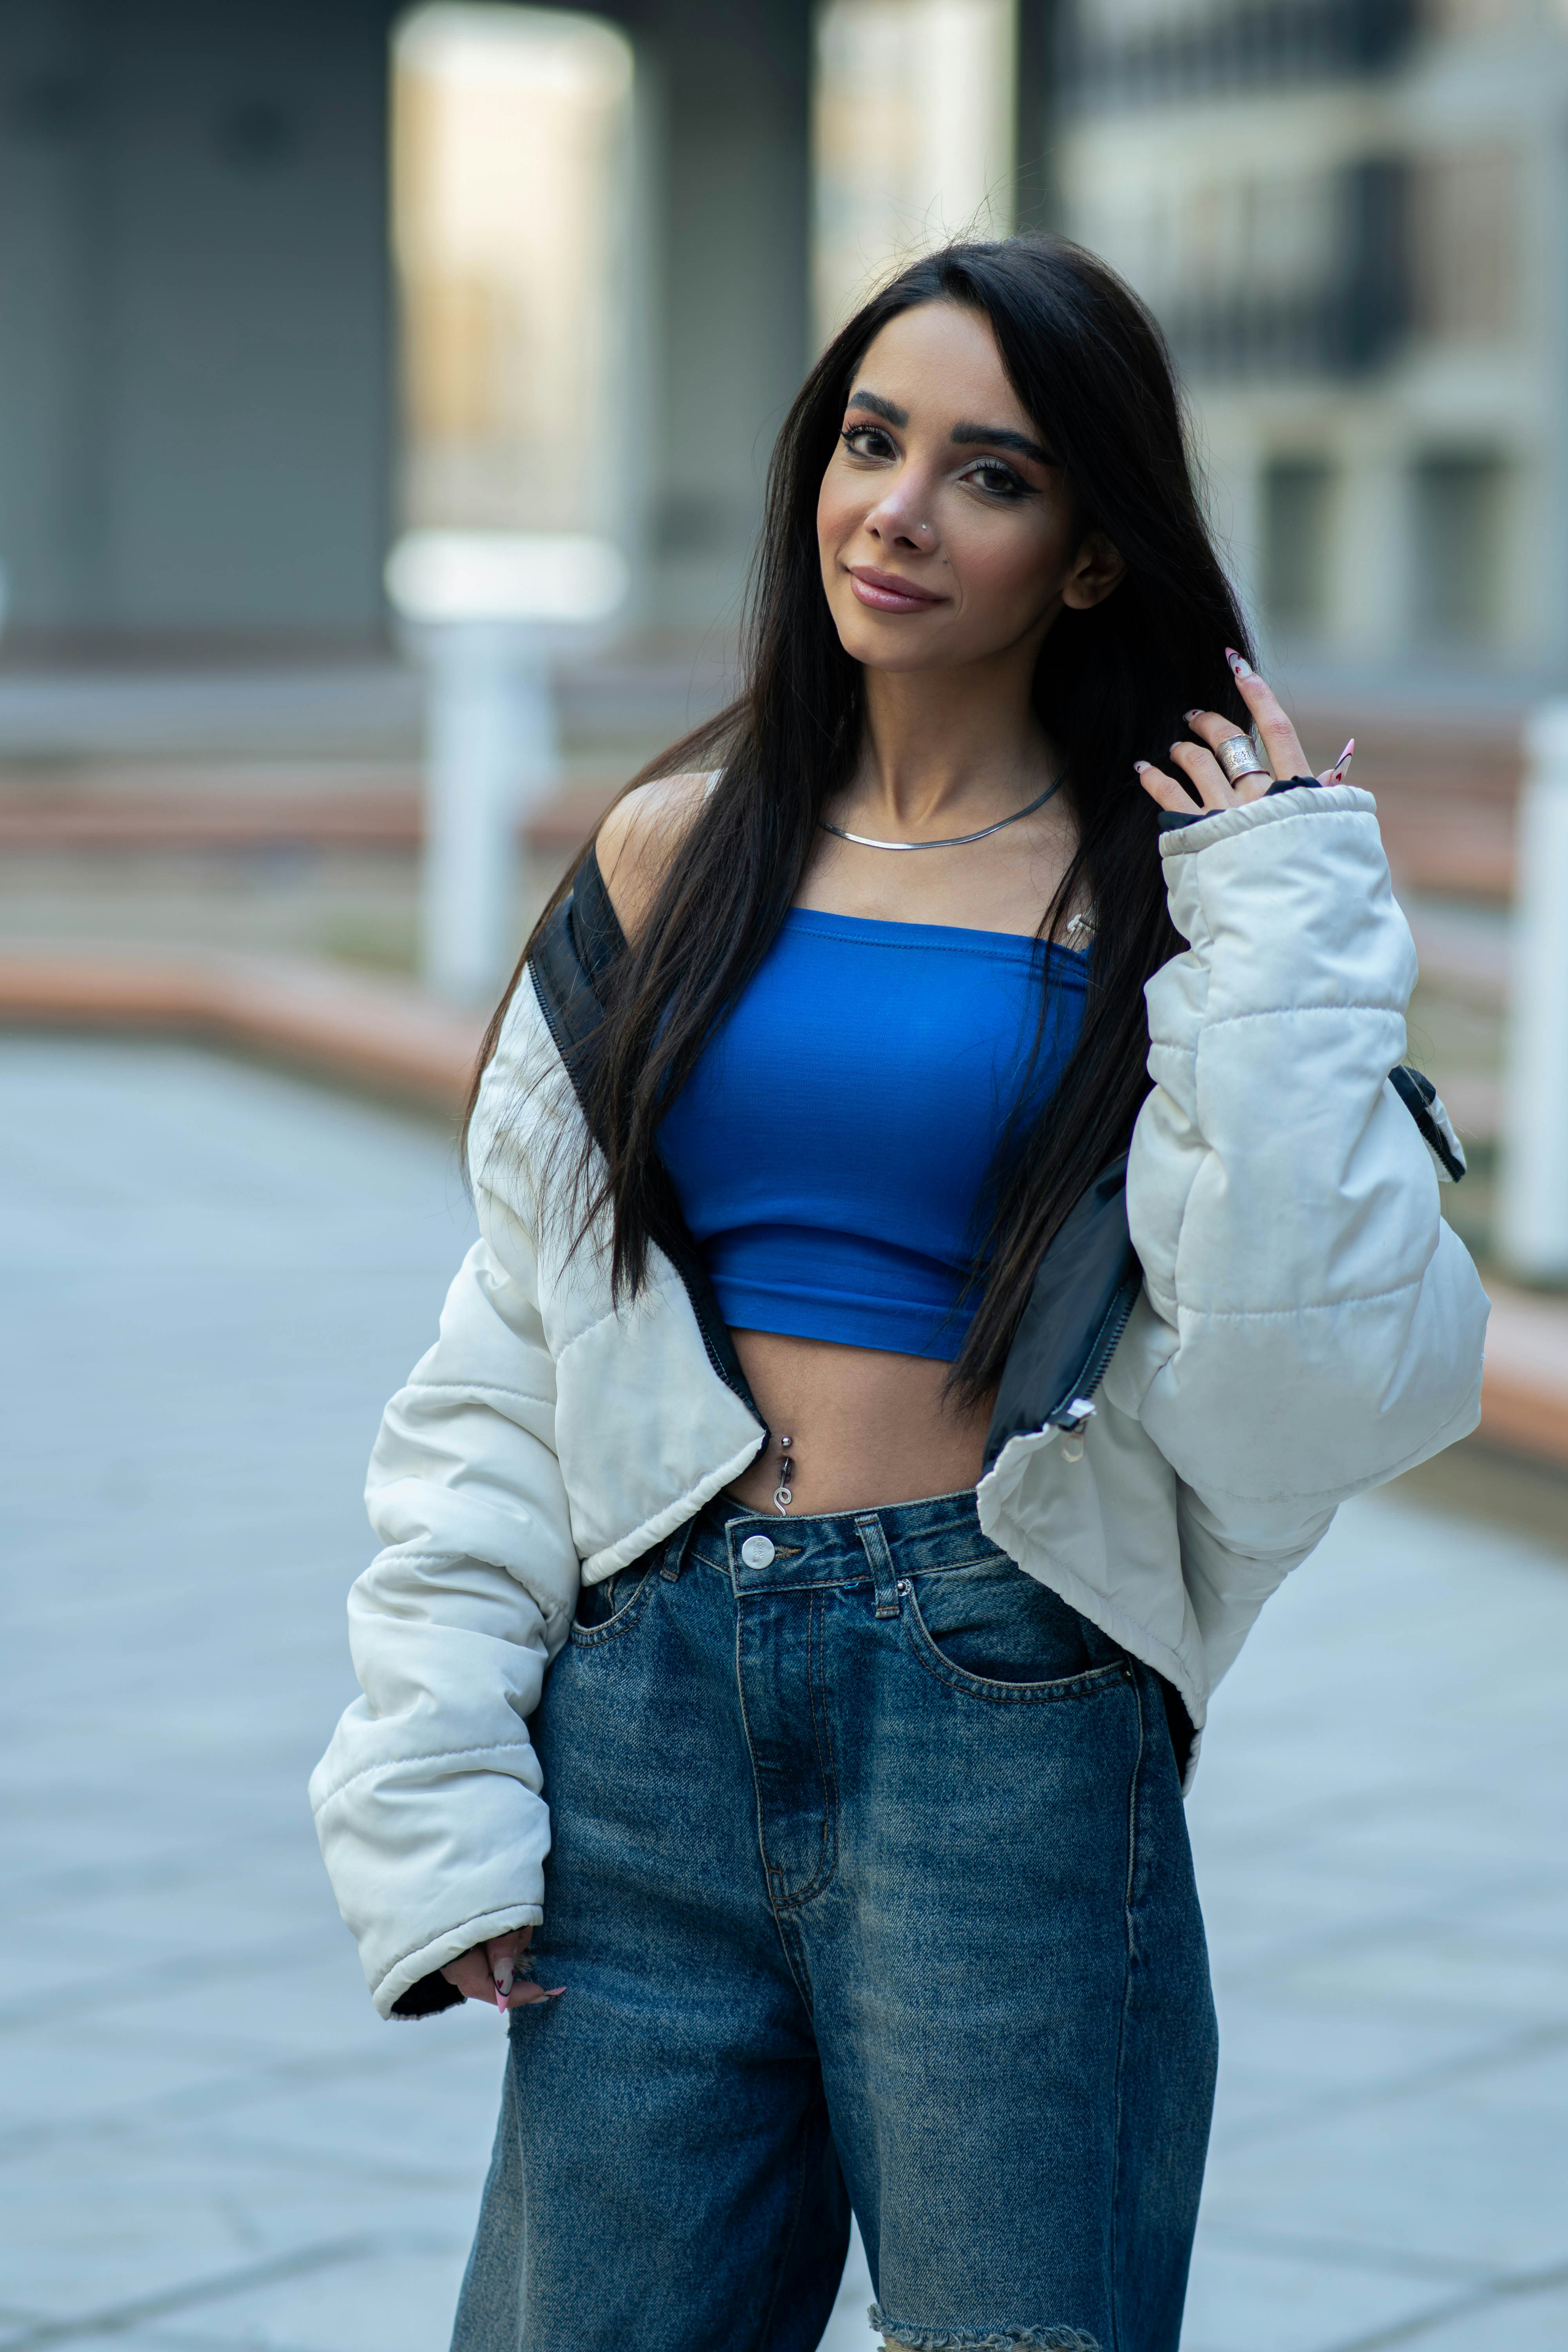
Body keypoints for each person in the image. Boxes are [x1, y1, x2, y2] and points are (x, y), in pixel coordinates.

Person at [310, 238, 1487, 2352]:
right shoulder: (676, 852)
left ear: (1096, 555)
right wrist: (434, 1772)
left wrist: (1291, 932)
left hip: (1004, 1701)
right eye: (872, 441)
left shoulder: (1177, 903)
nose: (899, 511)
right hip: (646, 1697)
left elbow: (1314, 1391)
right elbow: (512, 1348)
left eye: (991, 473)